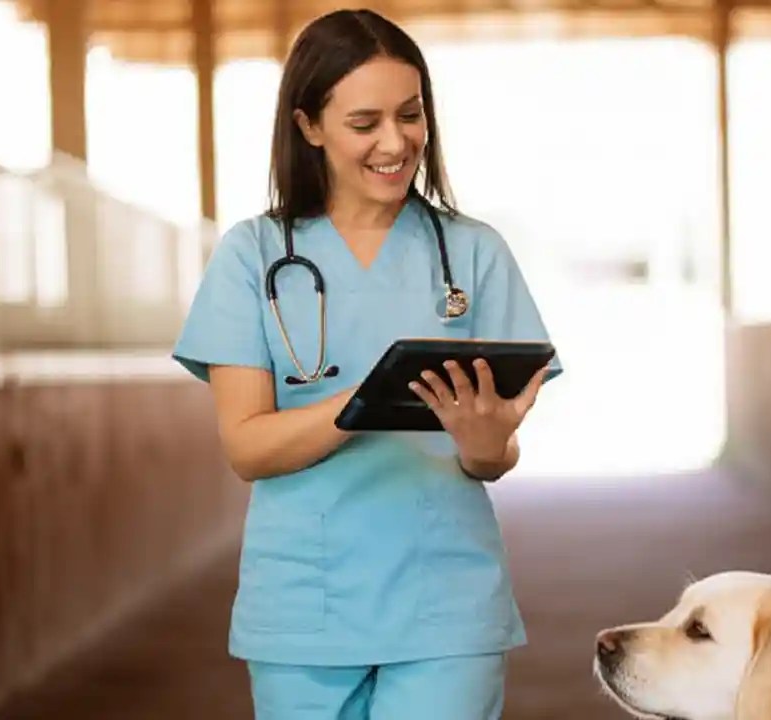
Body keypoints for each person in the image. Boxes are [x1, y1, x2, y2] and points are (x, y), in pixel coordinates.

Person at [171, 8, 562, 720]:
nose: (396, 141)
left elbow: (494, 452)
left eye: (411, 115)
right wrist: (368, 396)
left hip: (446, 602)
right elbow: (247, 445)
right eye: (365, 123)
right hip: (304, 606)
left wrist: (485, 447)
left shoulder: (473, 254)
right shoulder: (253, 256)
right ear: (309, 125)